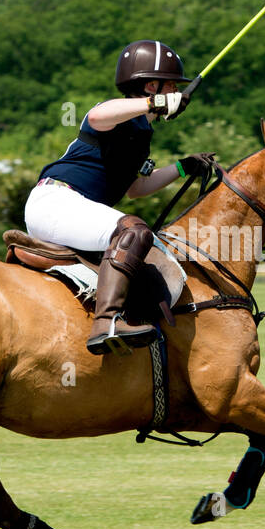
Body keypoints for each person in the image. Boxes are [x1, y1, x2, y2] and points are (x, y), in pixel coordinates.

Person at [24, 40, 216, 355]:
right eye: (170, 86)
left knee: (139, 237)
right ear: (151, 85)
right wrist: (154, 104)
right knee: (134, 231)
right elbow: (99, 115)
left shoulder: (141, 135)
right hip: (56, 202)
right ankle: (107, 322)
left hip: (69, 210)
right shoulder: (116, 115)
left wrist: (182, 167)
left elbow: (135, 189)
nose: (176, 93)